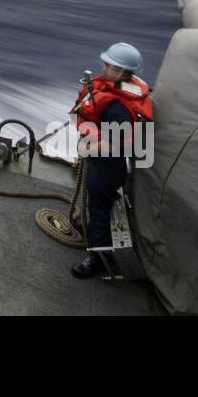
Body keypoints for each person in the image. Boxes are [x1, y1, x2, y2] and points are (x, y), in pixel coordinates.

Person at [71, 42, 154, 279]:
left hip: (109, 165)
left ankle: (98, 256)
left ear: (120, 72)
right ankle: (89, 228)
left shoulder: (118, 108)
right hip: (103, 158)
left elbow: (117, 143)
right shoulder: (118, 89)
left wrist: (87, 148)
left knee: (100, 208)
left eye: (108, 64)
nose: (103, 66)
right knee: (95, 201)